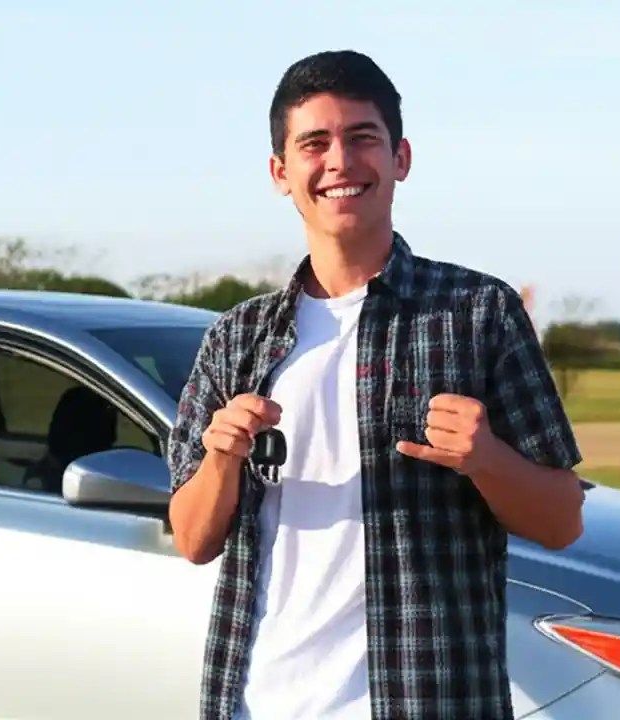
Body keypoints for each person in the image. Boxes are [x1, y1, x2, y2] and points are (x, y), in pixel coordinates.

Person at [165, 49, 585, 720]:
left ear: (401, 158)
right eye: (314, 143)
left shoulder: (477, 313)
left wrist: (487, 459)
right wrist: (220, 459)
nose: (339, 162)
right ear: (281, 172)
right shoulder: (235, 339)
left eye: (362, 138)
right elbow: (192, 539)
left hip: (430, 700)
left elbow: (562, 520)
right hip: (259, 702)